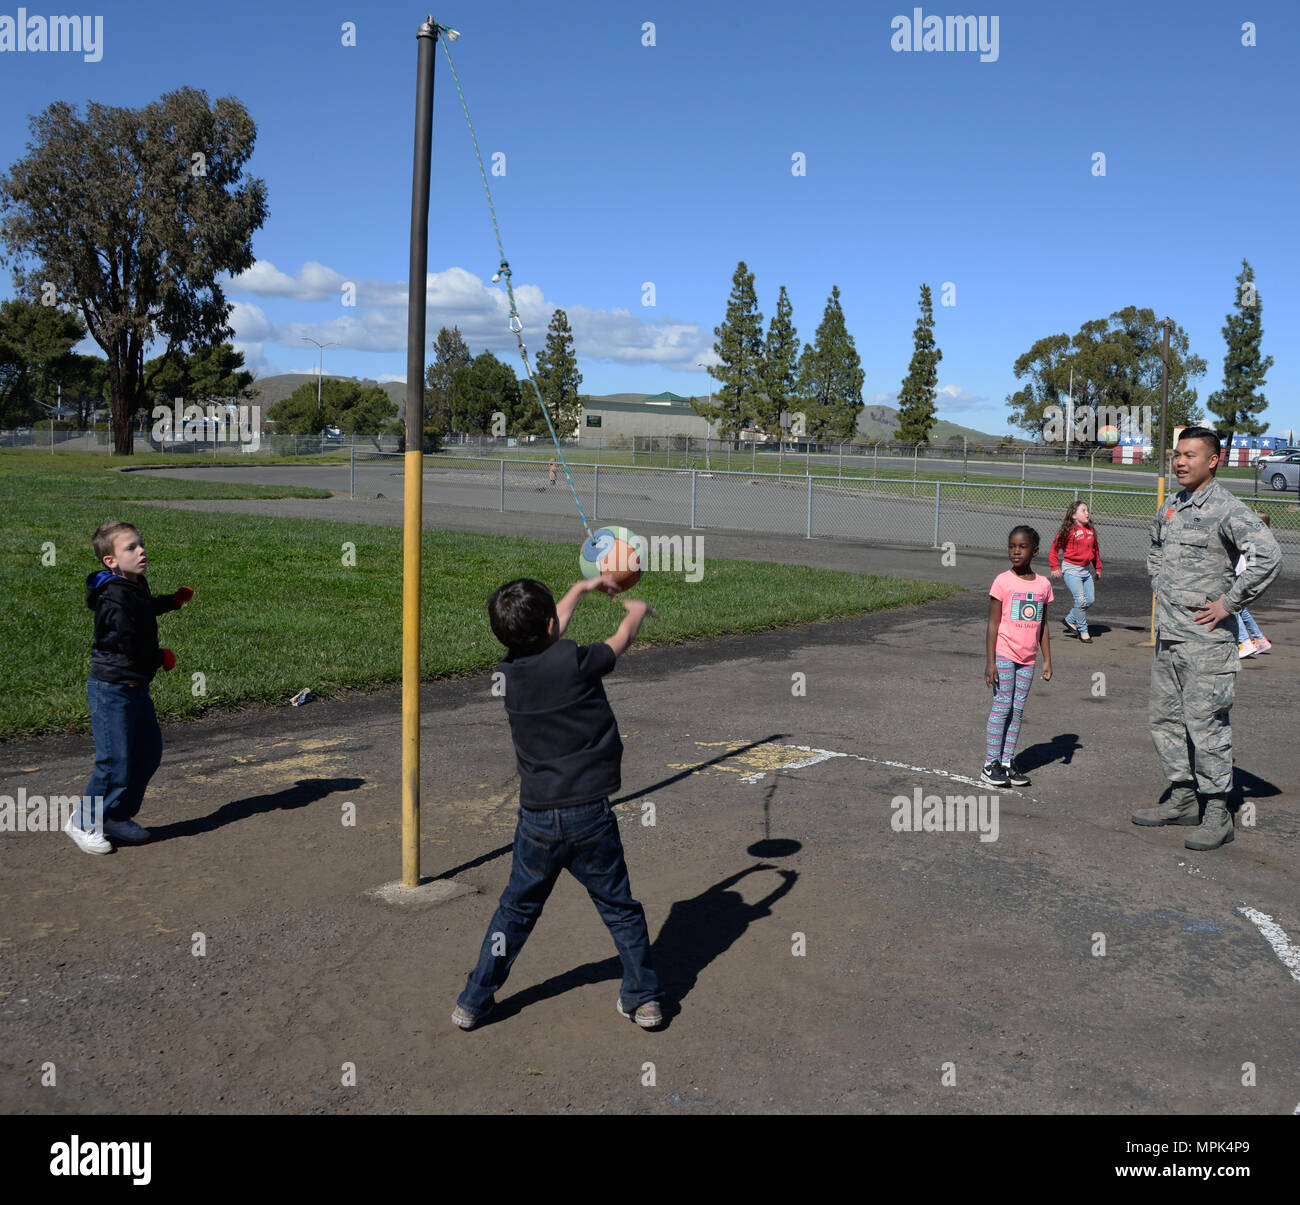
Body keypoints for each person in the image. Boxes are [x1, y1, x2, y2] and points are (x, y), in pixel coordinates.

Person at [453, 575, 663, 1030]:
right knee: (620, 908)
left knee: (516, 912)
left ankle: (473, 1000)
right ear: (552, 626)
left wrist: (581, 588)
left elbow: (549, 632)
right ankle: (644, 998)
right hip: (590, 815)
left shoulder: (507, 675)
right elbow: (618, 643)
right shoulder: (576, 661)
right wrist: (635, 614)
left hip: (537, 820)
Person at [1132, 427, 1281, 850]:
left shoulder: (1227, 508)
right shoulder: (1173, 505)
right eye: (1177, 454)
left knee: (1208, 726)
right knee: (1165, 721)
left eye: (1190, 455)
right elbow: (1155, 544)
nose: (1180, 462)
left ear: (1213, 460)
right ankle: (1183, 799)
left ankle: (1218, 811)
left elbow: (1269, 557)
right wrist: (1160, 579)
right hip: (1170, 637)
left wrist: (1230, 604)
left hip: (1207, 642)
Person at [67, 522, 193, 855]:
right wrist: (159, 657)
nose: (141, 551)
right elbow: (127, 641)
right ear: (110, 561)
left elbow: (145, 608)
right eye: (131, 548)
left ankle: (116, 816)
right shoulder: (113, 596)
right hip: (112, 688)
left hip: (137, 687)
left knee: (148, 752)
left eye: (141, 544)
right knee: (114, 762)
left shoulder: (134, 584)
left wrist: (172, 602)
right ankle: (83, 821)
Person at [983, 525, 1053, 789]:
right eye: (1012, 546)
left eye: (1022, 547)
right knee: (1002, 707)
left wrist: (1047, 659)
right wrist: (990, 662)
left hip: (1028, 659)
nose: (1016, 551)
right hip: (1004, 654)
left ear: (1034, 552)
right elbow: (992, 624)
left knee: (1018, 709)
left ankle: (1007, 762)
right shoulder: (1003, 581)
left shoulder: (1043, 585)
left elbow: (1043, 625)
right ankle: (990, 764)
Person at [1049, 501, 1102, 644]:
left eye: (1087, 510)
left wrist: (1098, 568)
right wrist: (1055, 567)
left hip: (1085, 571)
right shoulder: (1068, 531)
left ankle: (1070, 619)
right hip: (1071, 570)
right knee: (1080, 600)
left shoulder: (1091, 531)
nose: (1087, 513)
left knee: (1089, 600)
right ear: (1073, 515)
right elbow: (1054, 548)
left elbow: (1095, 551)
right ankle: (1083, 631)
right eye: (1083, 510)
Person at [1234, 510, 1274, 657]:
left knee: (1233, 608)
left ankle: (1245, 642)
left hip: (1242, 577)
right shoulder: (1256, 538)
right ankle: (1259, 639)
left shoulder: (1250, 539)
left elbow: (1249, 563)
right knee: (1241, 610)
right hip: (1246, 577)